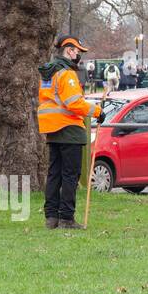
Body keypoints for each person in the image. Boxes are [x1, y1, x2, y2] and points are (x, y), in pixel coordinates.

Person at [37, 35, 102, 230]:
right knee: (70, 175)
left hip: (52, 127)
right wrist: (98, 111)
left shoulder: (49, 72)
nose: (79, 55)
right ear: (68, 50)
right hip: (69, 128)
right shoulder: (66, 73)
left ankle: (51, 217)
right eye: (78, 51)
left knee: (54, 173)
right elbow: (74, 102)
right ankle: (66, 218)